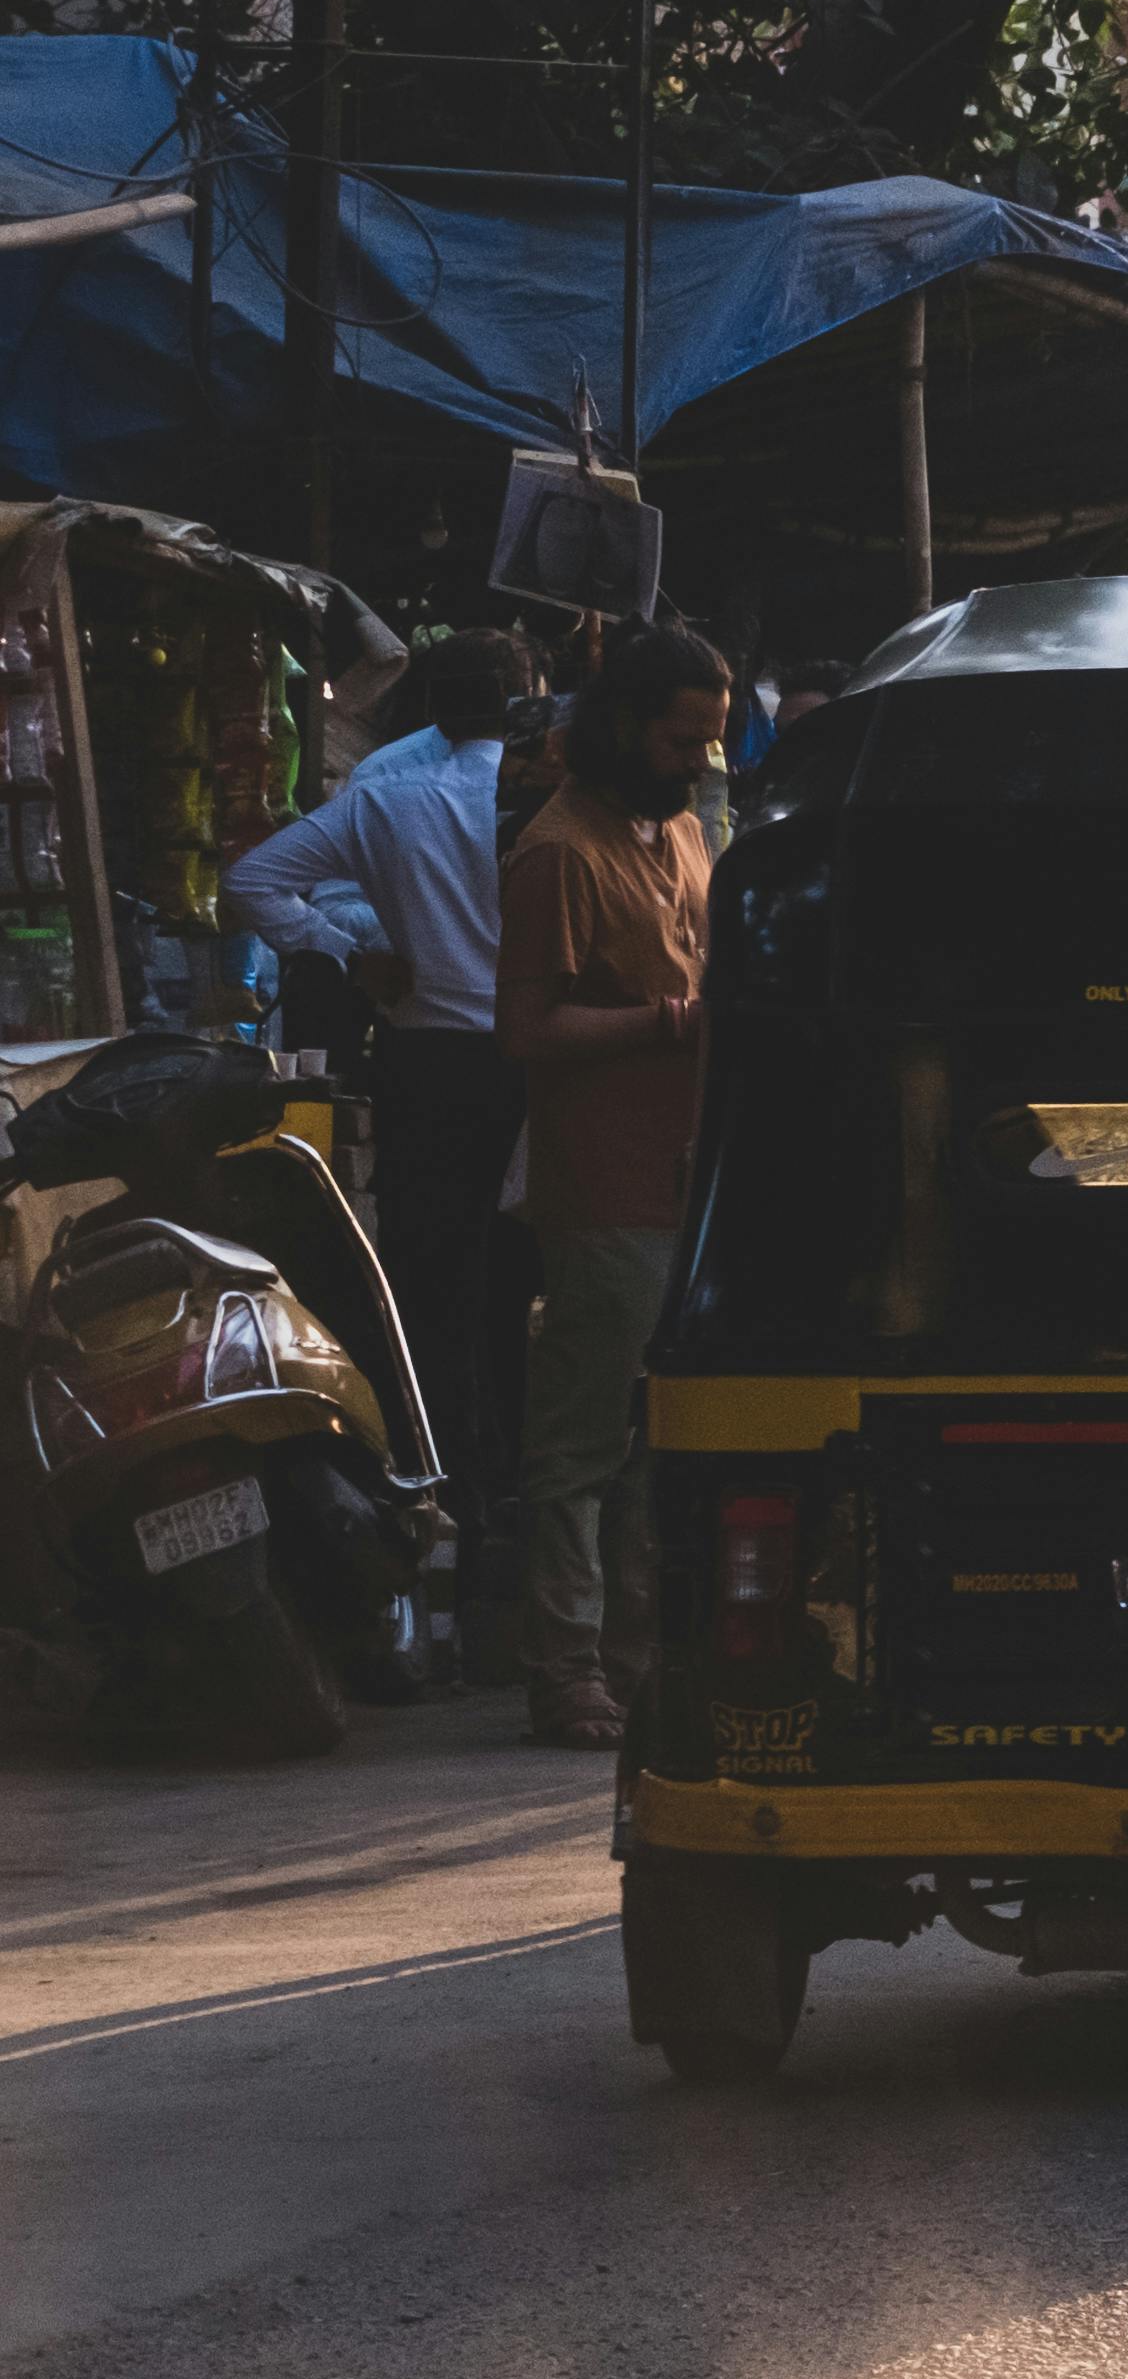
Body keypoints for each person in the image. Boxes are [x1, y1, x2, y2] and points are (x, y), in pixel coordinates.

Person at [223, 628, 536, 1553]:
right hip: (538, 1056)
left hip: (431, 1065)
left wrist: (353, 954)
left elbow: (254, 881)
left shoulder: (391, 794)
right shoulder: (553, 801)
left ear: (434, 711)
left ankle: (446, 1482)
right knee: (520, 1276)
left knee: (433, 1284)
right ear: (527, 704)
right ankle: (515, 1480)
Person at [494, 618, 728, 1749]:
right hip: (604, 1189)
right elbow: (526, 1026)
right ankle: (566, 1666)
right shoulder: (559, 851)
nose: (699, 759)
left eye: (710, 739)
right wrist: (665, 1021)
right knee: (582, 1447)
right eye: (685, 737)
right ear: (629, 725)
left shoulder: (680, 834)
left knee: (660, 1439)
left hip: (687, 1184)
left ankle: (639, 1659)